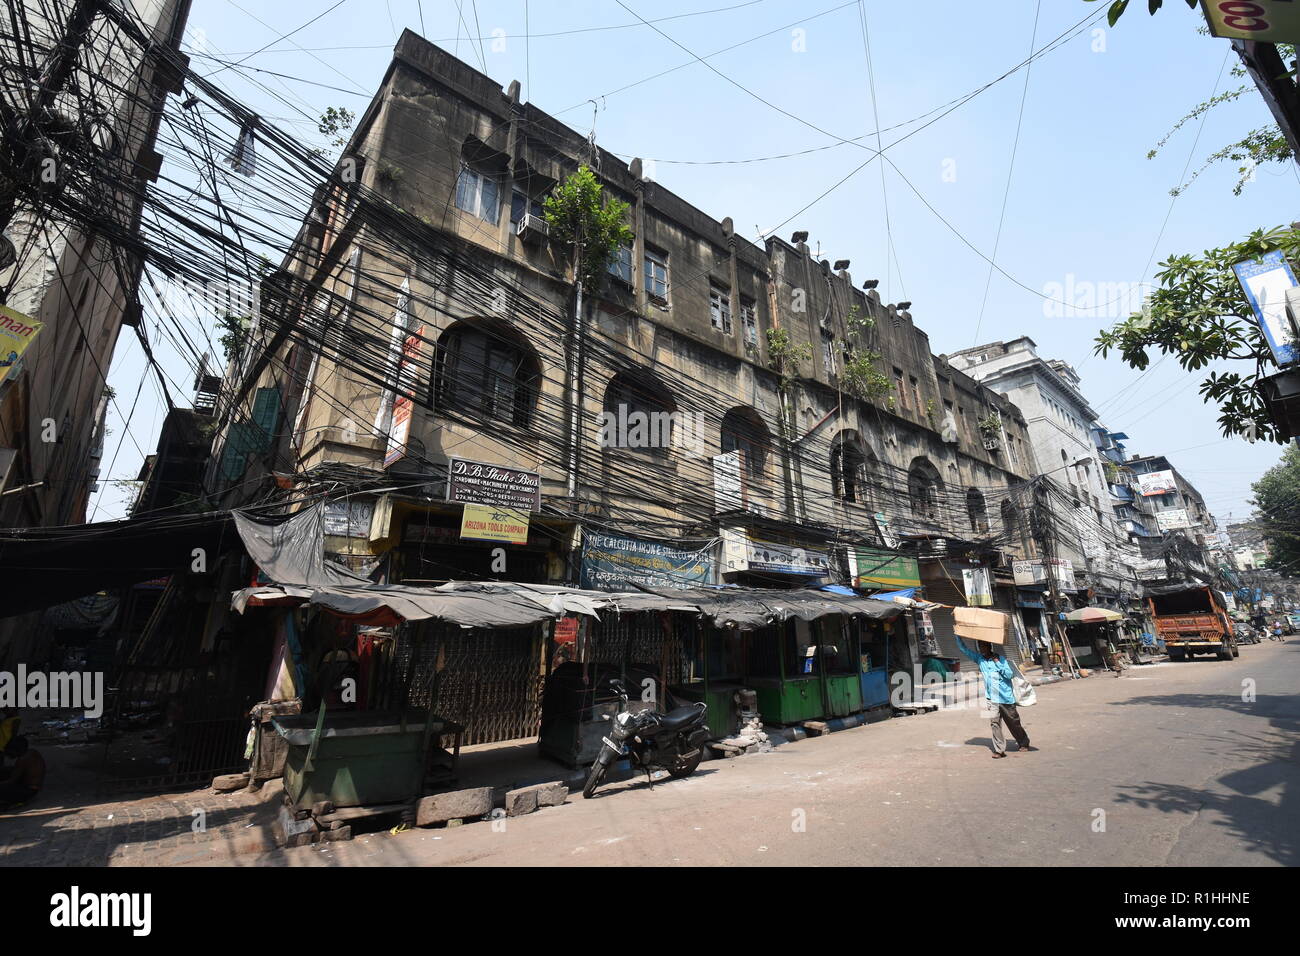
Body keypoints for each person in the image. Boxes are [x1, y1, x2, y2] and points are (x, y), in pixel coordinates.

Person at [957, 637, 1036, 759]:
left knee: (1013, 722)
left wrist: (997, 663)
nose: (982, 649)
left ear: (989, 646)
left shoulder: (1001, 659)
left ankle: (1023, 742)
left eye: (984, 646)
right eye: (980, 646)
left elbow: (1009, 674)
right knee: (994, 723)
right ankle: (999, 750)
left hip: (1005, 697)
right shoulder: (979, 659)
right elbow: (964, 649)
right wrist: (957, 635)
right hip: (991, 699)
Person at [0, 736, 45, 810]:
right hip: (33, 789)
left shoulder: (22, 760)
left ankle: (16, 801)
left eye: (10, 751)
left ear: (16, 750)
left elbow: (11, 781)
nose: (8, 754)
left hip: (28, 791)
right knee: (6, 770)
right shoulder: (32, 752)